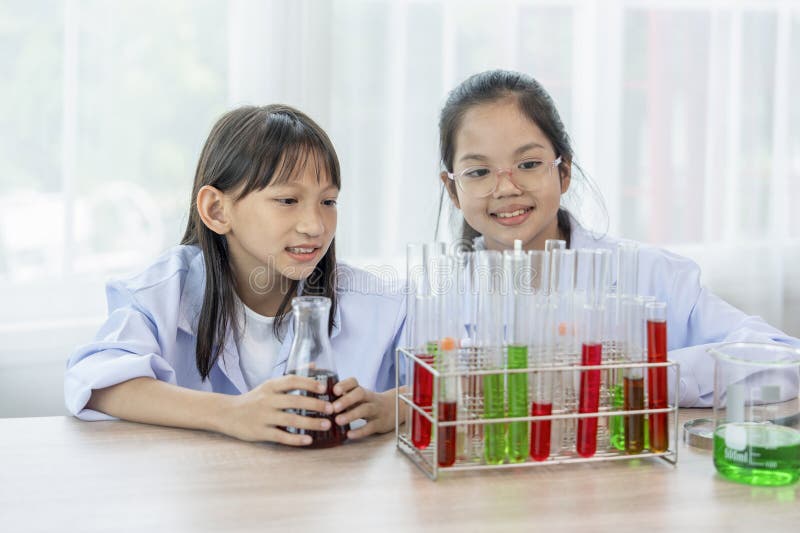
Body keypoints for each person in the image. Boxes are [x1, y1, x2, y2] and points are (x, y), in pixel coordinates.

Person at [437, 69, 799, 407]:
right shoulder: (433, 299)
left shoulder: (651, 274)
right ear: (453, 190)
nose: (506, 188)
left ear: (563, 172)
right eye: (479, 171)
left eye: (529, 164)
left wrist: (628, 376)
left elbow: (782, 359)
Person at [65, 104, 405, 445]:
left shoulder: (376, 303)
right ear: (216, 210)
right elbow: (96, 382)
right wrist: (232, 413)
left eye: (328, 202)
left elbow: (453, 378)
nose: (315, 225)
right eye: (288, 200)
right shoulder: (163, 292)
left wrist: (394, 406)